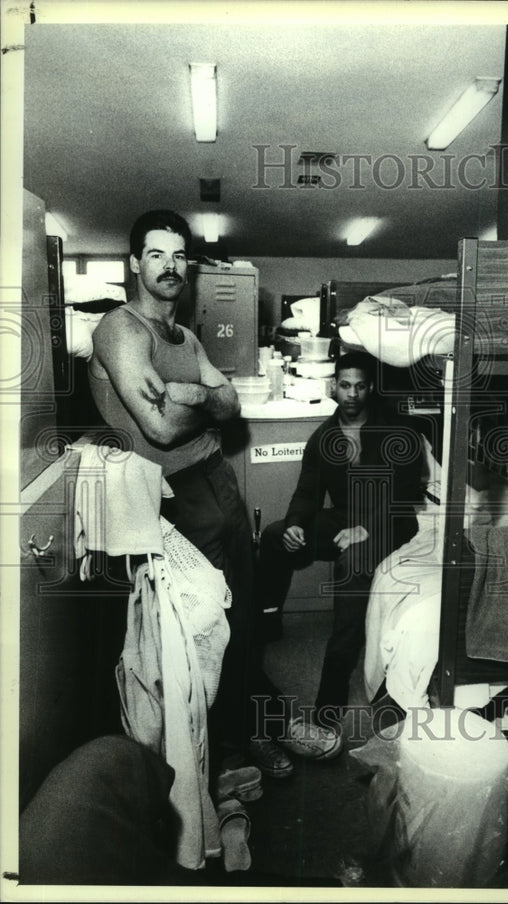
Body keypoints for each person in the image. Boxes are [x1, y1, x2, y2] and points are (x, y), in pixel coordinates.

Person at [88, 210, 334, 778]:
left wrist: (186, 393)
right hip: (174, 495)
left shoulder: (186, 336)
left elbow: (232, 406)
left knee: (245, 616)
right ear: (134, 263)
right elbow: (161, 430)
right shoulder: (121, 330)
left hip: (216, 477)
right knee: (209, 630)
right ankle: (227, 752)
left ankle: (262, 726)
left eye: (178, 256)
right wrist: (204, 398)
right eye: (155, 254)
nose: (169, 266)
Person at [256, 352, 424, 735]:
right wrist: (296, 524)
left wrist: (366, 529)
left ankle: (329, 700)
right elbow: (306, 493)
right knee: (273, 536)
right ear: (334, 386)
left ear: (370, 388)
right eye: (345, 385)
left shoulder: (398, 431)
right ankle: (267, 621)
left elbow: (402, 494)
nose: (352, 394)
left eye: (360, 386)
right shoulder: (324, 437)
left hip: (389, 523)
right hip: (345, 517)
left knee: (353, 563)